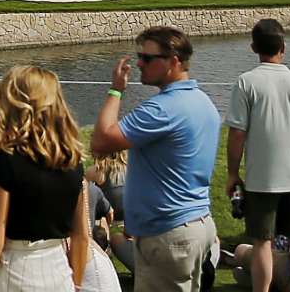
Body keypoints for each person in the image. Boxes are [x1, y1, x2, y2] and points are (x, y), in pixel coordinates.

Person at [89, 27, 220, 292]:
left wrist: (116, 91)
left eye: (148, 58)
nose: (139, 63)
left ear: (173, 61)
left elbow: (101, 141)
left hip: (169, 236)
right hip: (196, 226)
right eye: (139, 56)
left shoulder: (162, 109)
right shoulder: (203, 101)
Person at [0, 65, 91, 292]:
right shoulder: (72, 161)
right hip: (58, 268)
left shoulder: (6, 159)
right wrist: (77, 283)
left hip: (17, 266)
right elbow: (81, 236)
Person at [224, 19, 290, 292]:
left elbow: (236, 134)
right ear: (283, 47)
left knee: (262, 242)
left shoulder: (246, 83)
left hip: (262, 180)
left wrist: (233, 173)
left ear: (253, 47)